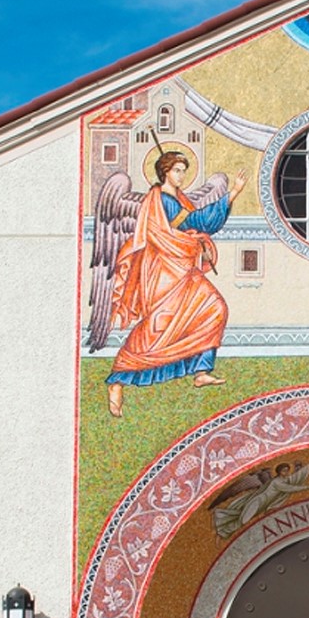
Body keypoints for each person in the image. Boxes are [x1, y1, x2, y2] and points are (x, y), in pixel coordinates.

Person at [106, 148, 235, 417]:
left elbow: (190, 227)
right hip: (164, 271)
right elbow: (192, 223)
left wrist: (195, 239)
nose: (182, 175)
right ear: (165, 172)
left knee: (214, 308)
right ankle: (118, 379)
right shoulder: (161, 200)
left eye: (183, 170)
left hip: (183, 268)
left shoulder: (179, 198)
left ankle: (201, 370)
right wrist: (231, 195)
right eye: (177, 170)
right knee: (158, 328)